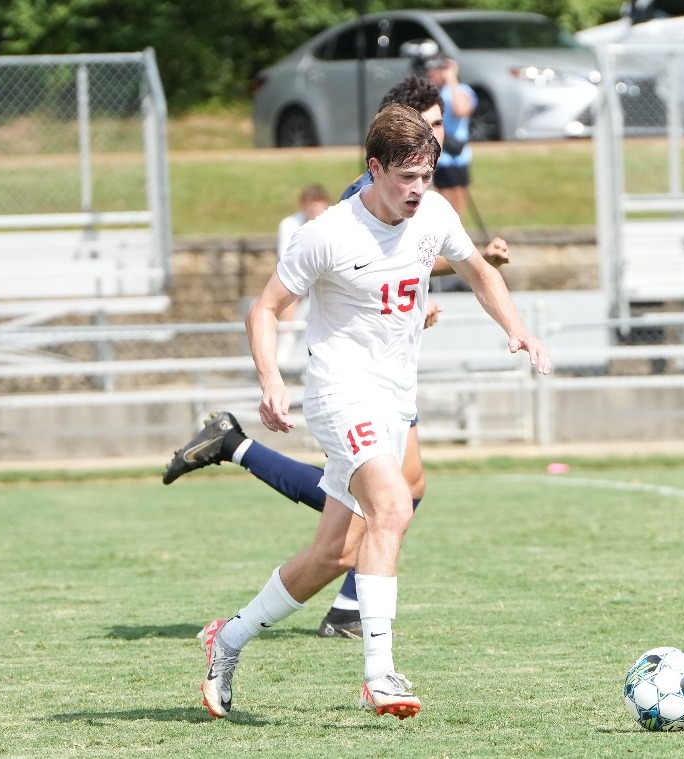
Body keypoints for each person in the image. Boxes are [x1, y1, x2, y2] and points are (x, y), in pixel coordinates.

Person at [193, 104, 551, 722]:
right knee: (393, 505)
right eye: (407, 177)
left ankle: (227, 640)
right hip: (337, 390)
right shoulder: (328, 232)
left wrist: (517, 328)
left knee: (333, 555)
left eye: (427, 176)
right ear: (374, 169)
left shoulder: (436, 213)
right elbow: (265, 308)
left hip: (393, 398)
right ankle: (380, 675)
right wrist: (272, 380)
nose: (418, 191)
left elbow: (478, 273)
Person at [163, 75, 509, 641]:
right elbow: (341, 276)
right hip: (353, 381)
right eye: (433, 122)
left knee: (341, 542)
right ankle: (371, 651)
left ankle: (237, 631)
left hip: (391, 377)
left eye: (441, 126)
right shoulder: (360, 203)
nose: (440, 135)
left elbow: (407, 261)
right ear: (384, 155)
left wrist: (424, 296)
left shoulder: (419, 193)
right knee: (396, 495)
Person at [275, 183, 330, 370]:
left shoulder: (334, 222)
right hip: (301, 278)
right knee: (288, 293)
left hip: (326, 278)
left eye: (318, 203)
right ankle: (285, 342)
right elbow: (287, 258)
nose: (314, 208)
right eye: (310, 203)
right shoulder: (289, 224)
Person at [425, 57, 476, 221]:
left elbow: (461, 110)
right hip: (440, 157)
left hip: (457, 157)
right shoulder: (432, 93)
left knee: (456, 208)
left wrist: (451, 78)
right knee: (440, 206)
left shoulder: (462, 90)